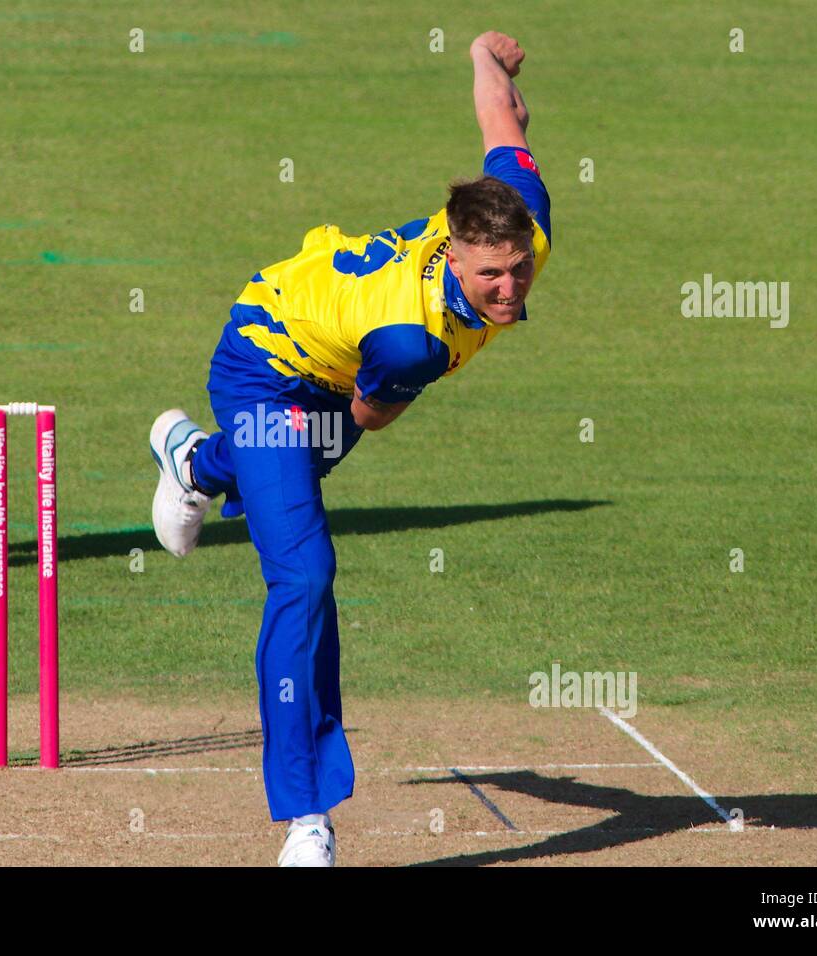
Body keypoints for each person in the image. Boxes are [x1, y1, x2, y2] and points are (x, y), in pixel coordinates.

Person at [147, 31, 553, 865]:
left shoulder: (522, 223)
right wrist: (390, 383)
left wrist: (483, 54)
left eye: (518, 270)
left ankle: (195, 463)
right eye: (490, 279)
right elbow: (370, 418)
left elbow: (502, 126)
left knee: (279, 469)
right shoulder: (410, 343)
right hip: (269, 358)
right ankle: (307, 818)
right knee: (304, 572)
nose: (510, 289)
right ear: (455, 256)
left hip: (338, 365)